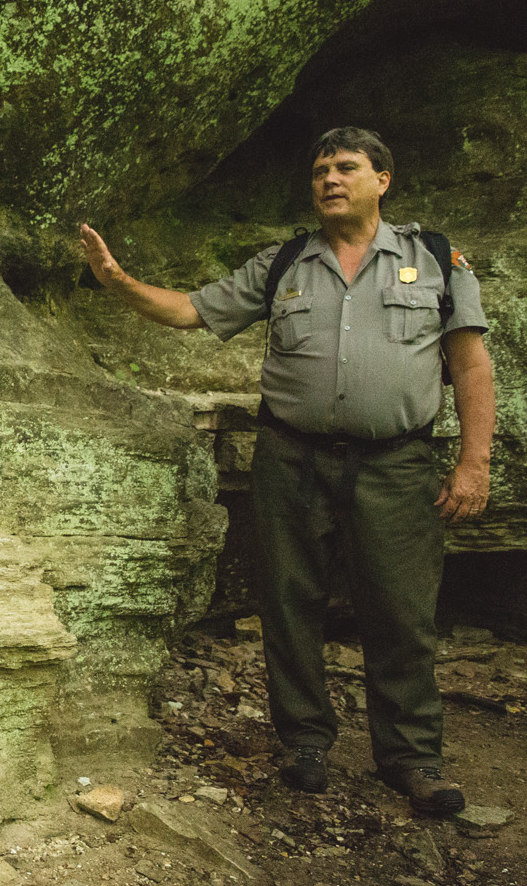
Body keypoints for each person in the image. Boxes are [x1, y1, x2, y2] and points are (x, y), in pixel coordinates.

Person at [81, 127, 495, 815]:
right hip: (291, 458)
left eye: (345, 167)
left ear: (382, 180)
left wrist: (472, 464)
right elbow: (189, 311)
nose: (329, 179)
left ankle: (411, 757)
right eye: (319, 170)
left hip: (396, 463)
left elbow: (471, 364)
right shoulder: (283, 264)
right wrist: (117, 281)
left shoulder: (432, 258)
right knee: (289, 601)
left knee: (401, 611)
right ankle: (304, 742)